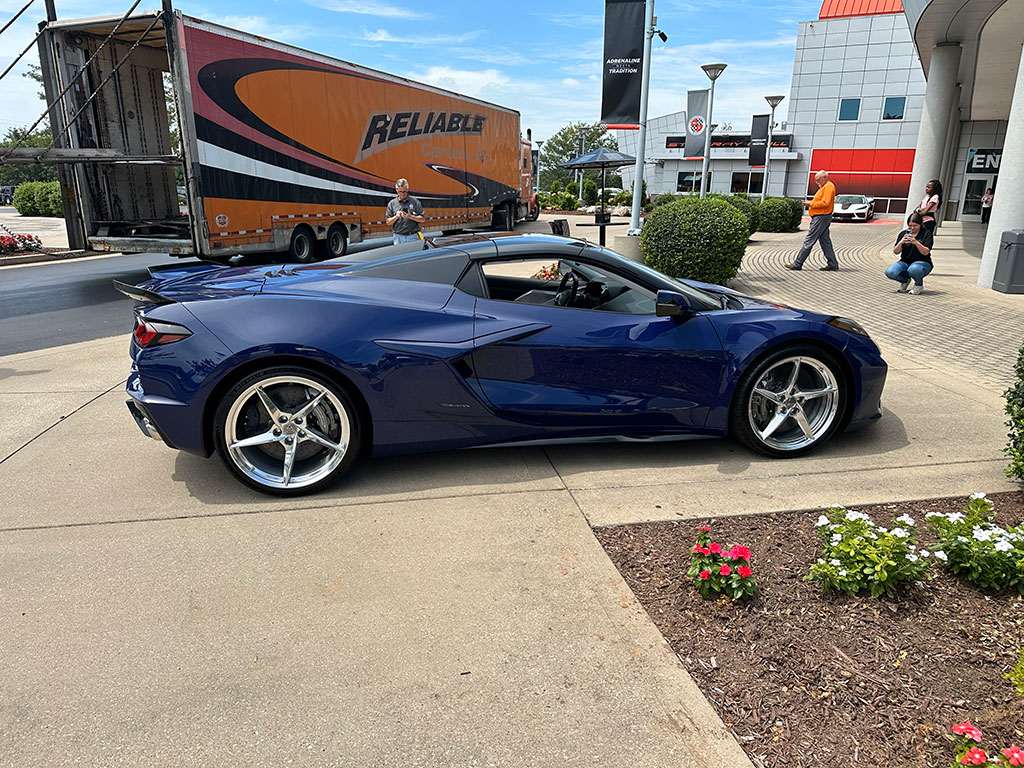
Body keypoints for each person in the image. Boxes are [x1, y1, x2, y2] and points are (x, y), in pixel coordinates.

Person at [786, 169, 838, 271]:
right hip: (822, 217)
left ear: (825, 177)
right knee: (825, 242)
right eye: (815, 180)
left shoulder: (828, 187)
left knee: (809, 240)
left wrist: (810, 204)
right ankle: (832, 263)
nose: (816, 182)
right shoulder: (825, 187)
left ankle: (798, 263)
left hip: (820, 217)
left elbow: (825, 203)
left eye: (818, 179)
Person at [884, 211, 933, 295]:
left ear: (920, 224)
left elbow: (926, 252)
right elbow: (896, 251)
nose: (912, 228)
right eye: (910, 226)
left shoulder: (926, 234)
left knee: (913, 269)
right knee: (890, 272)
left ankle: (918, 285)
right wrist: (901, 242)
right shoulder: (903, 234)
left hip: (922, 262)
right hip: (905, 261)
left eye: (915, 226)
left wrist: (916, 242)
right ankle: (905, 280)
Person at [385, 178, 425, 244]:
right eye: (400, 192)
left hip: (412, 236)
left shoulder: (415, 202)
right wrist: (396, 217)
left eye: (404, 191)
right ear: (396, 190)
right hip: (398, 237)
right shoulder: (392, 203)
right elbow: (388, 222)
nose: (402, 194)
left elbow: (422, 219)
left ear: (407, 189)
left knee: (414, 254)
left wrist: (410, 216)